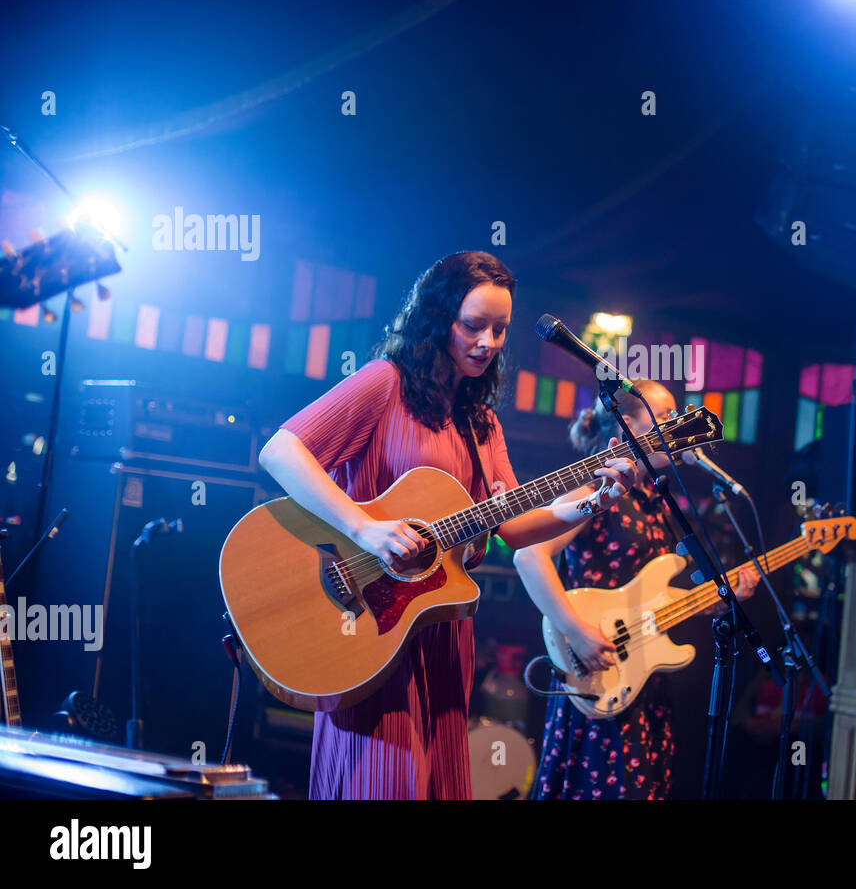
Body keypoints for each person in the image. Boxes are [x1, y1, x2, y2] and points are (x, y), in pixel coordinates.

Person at [257, 251, 639, 799]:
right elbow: (280, 450)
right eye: (473, 325)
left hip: (439, 633)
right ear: (438, 319)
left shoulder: (481, 422)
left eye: (500, 330)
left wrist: (595, 501)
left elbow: (513, 527)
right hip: (369, 620)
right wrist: (365, 530)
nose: (488, 342)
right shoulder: (384, 384)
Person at [513, 380, 758, 799]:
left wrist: (715, 601)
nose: (675, 424)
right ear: (626, 425)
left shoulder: (656, 501)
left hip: (643, 683)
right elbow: (528, 557)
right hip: (597, 672)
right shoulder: (595, 487)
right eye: (664, 417)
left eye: (676, 416)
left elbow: (649, 601)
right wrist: (575, 630)